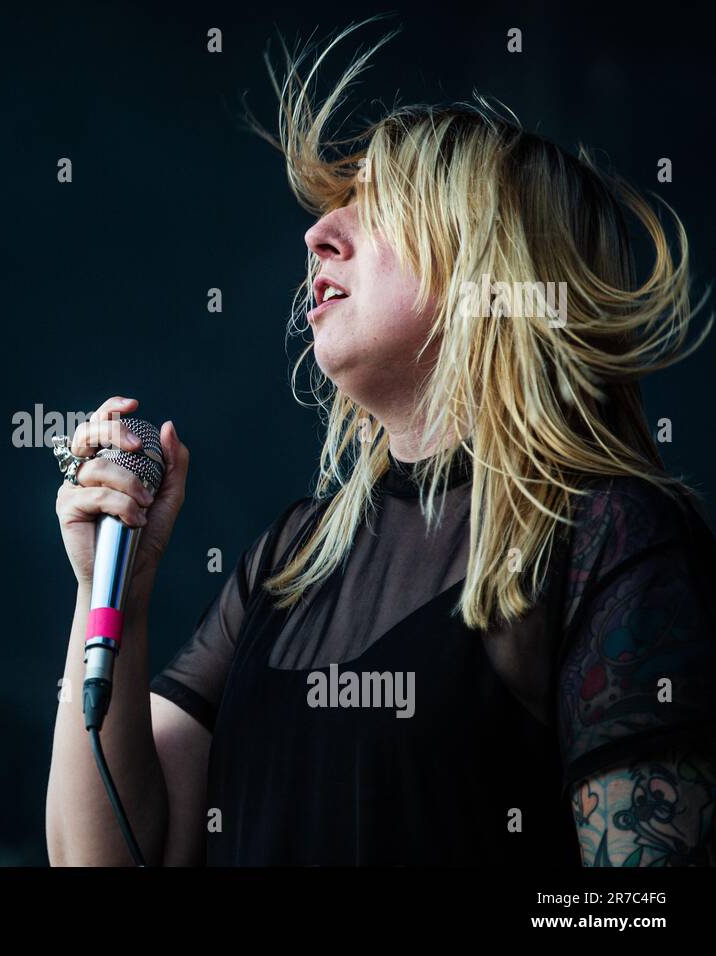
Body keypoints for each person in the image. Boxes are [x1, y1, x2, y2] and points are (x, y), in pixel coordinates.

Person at [44, 21, 716, 866]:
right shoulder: (291, 557)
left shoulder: (608, 536)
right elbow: (96, 857)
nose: (318, 234)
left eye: (385, 208)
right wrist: (112, 602)